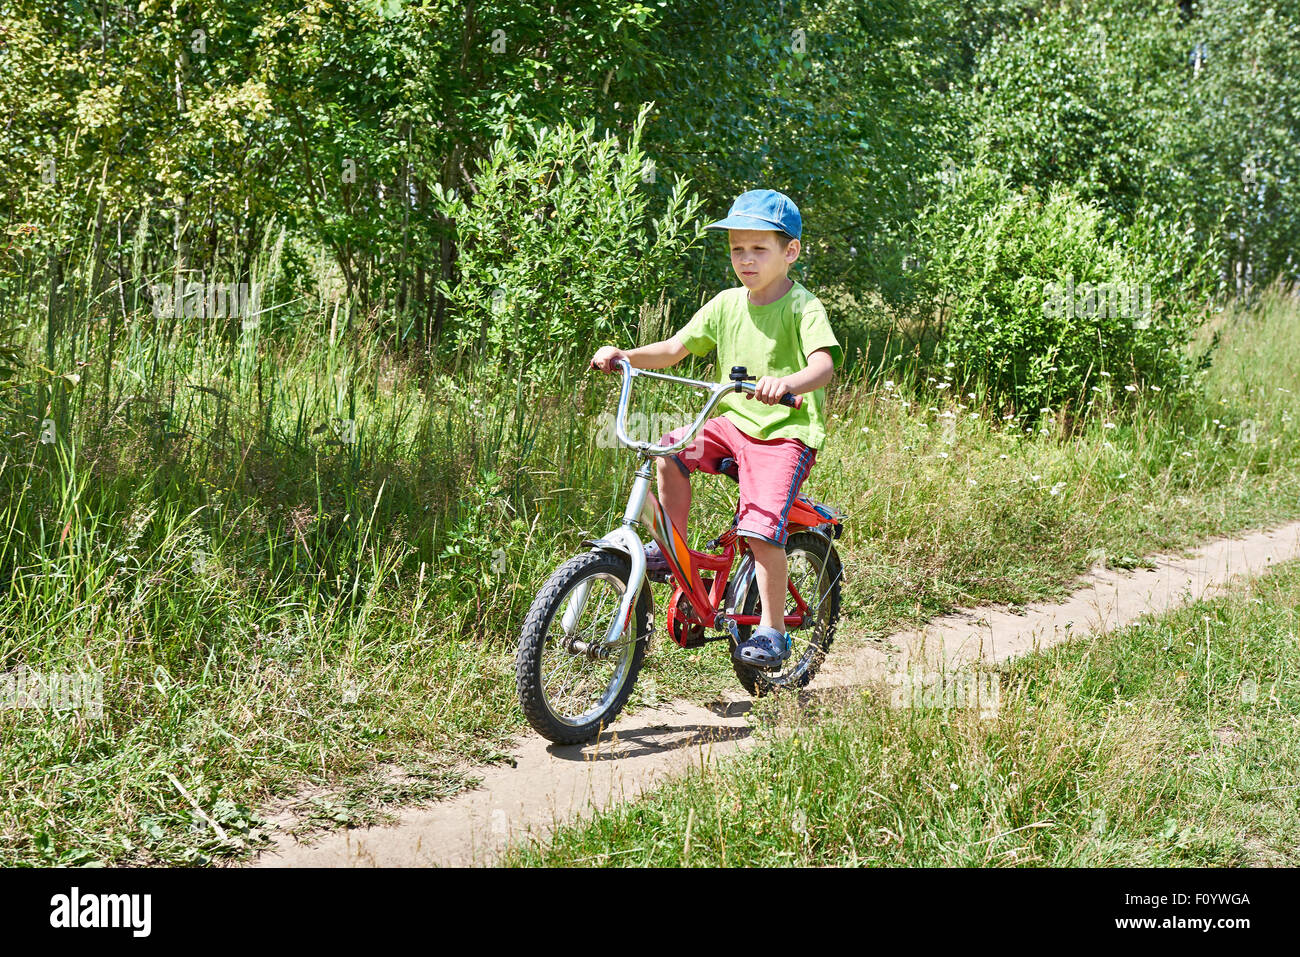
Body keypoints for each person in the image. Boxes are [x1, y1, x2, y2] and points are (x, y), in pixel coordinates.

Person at [590, 188, 843, 669]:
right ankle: (671, 547)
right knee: (668, 448)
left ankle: (772, 630)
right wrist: (626, 355)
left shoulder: (802, 307)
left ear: (790, 252)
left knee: (761, 529)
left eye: (758, 249)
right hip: (734, 423)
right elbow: (672, 349)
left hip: (784, 434)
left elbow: (823, 366)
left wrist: (786, 382)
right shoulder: (727, 304)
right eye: (736, 250)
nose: (745, 260)